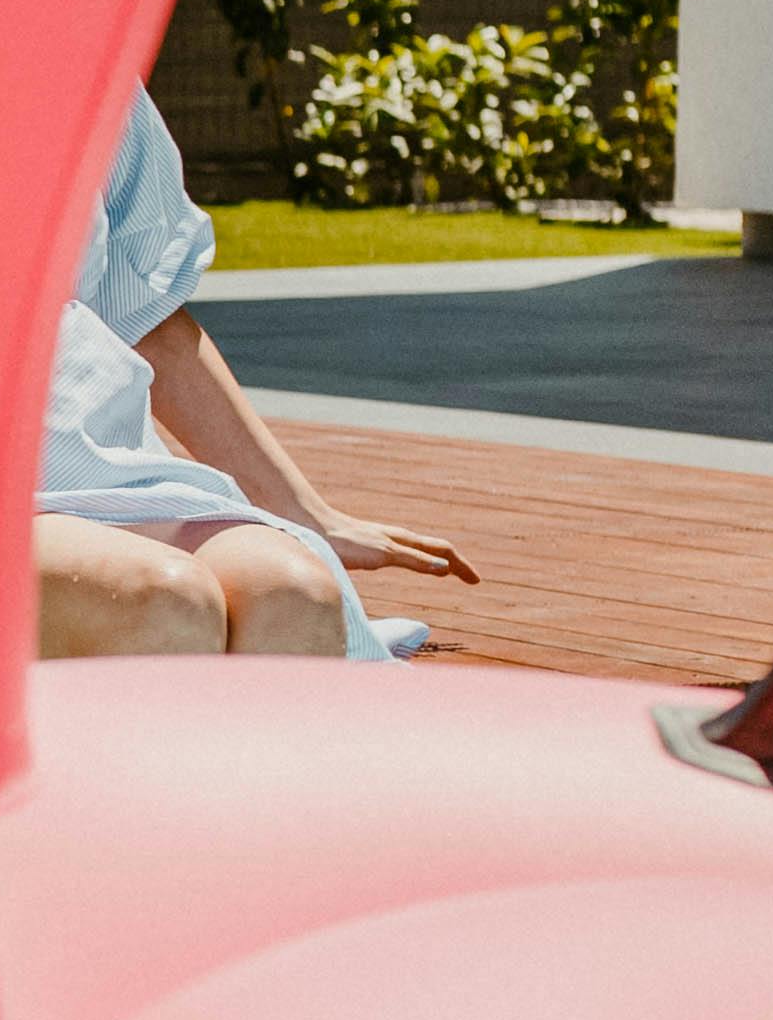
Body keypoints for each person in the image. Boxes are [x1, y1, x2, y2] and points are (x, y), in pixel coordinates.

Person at [35, 94, 478, 653]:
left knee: (291, 596)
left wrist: (304, 514)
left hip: (101, 470)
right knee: (165, 603)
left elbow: (144, 315)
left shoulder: (94, 72)